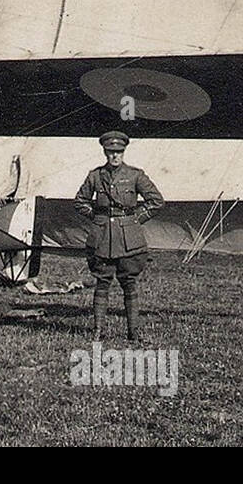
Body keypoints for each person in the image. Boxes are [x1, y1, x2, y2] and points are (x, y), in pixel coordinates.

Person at [73, 130, 165, 342]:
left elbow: (157, 202)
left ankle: (133, 332)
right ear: (105, 152)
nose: (114, 156)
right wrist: (97, 217)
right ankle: (98, 332)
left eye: (119, 152)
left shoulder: (135, 175)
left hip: (129, 240)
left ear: (124, 152)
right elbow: (80, 201)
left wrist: (134, 220)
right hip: (103, 236)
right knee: (102, 283)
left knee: (129, 283)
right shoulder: (95, 176)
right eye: (110, 152)